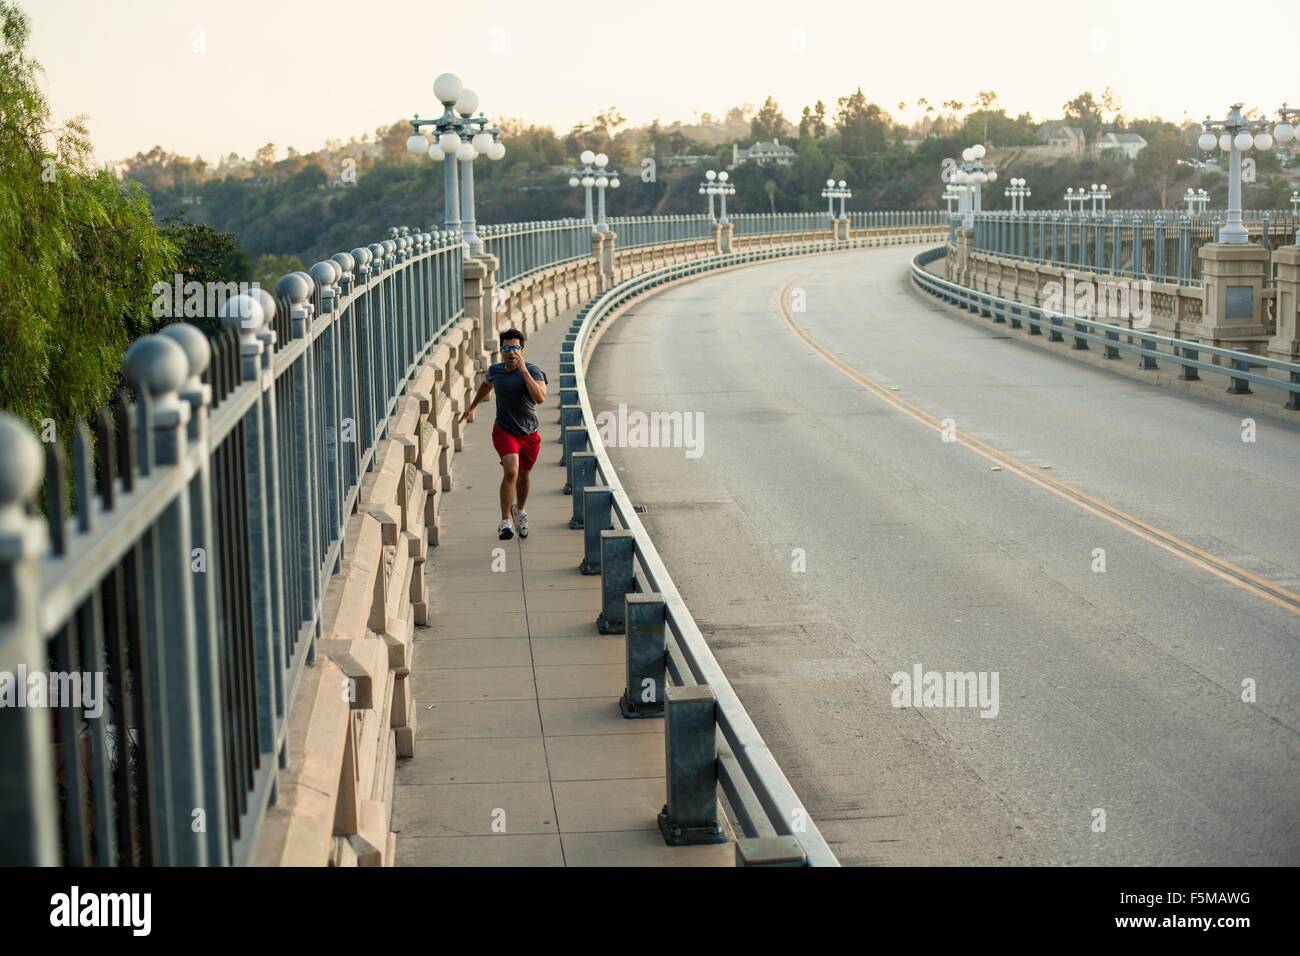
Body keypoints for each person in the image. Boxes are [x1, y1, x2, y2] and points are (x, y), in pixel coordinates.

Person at [459, 328, 549, 540]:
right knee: (511, 471)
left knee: (525, 476)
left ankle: (519, 511)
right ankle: (505, 522)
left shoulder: (534, 372)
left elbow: (540, 398)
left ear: (522, 350)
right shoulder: (495, 371)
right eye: (507, 348)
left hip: (529, 433)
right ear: (501, 350)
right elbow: (486, 385)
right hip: (504, 430)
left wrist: (524, 371)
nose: (511, 352)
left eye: (516, 348)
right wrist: (472, 407)